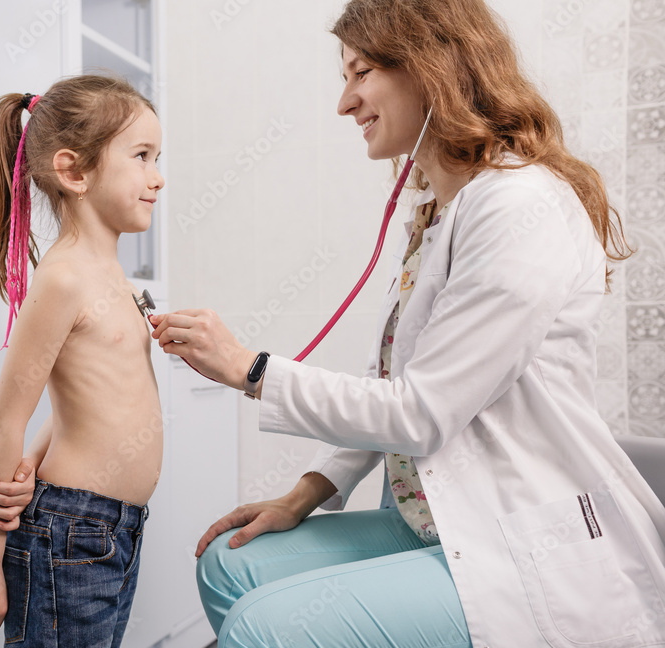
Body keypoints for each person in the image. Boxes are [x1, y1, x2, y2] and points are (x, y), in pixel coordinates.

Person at [141, 0, 665, 646]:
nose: (345, 102)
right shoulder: (442, 214)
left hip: (519, 541)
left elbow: (417, 413)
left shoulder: (518, 207)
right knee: (228, 565)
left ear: (429, 65)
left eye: (360, 73)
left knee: (258, 628)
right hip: (435, 519)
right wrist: (305, 493)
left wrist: (251, 371)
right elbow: (382, 385)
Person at [0, 74, 165, 647]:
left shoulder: (114, 275)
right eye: (142, 156)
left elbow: (78, 400)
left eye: (157, 157)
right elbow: (4, 421)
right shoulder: (65, 279)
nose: (158, 176)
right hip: (68, 533)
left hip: (110, 530)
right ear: (75, 172)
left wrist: (37, 456)